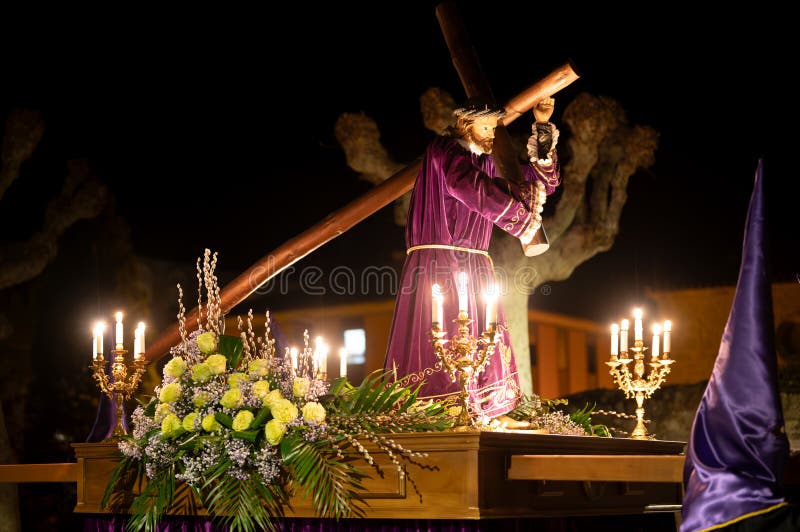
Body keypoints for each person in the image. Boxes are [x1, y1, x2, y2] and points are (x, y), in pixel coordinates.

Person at [384, 98, 561, 421]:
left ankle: (487, 408)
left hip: (476, 262)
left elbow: (542, 182)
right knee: (443, 332)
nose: (491, 135)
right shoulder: (443, 151)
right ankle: (440, 408)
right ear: (466, 124)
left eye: (494, 128)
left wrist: (543, 129)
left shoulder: (487, 163)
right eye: (485, 127)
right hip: (438, 262)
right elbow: (467, 186)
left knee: (484, 332)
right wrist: (519, 217)